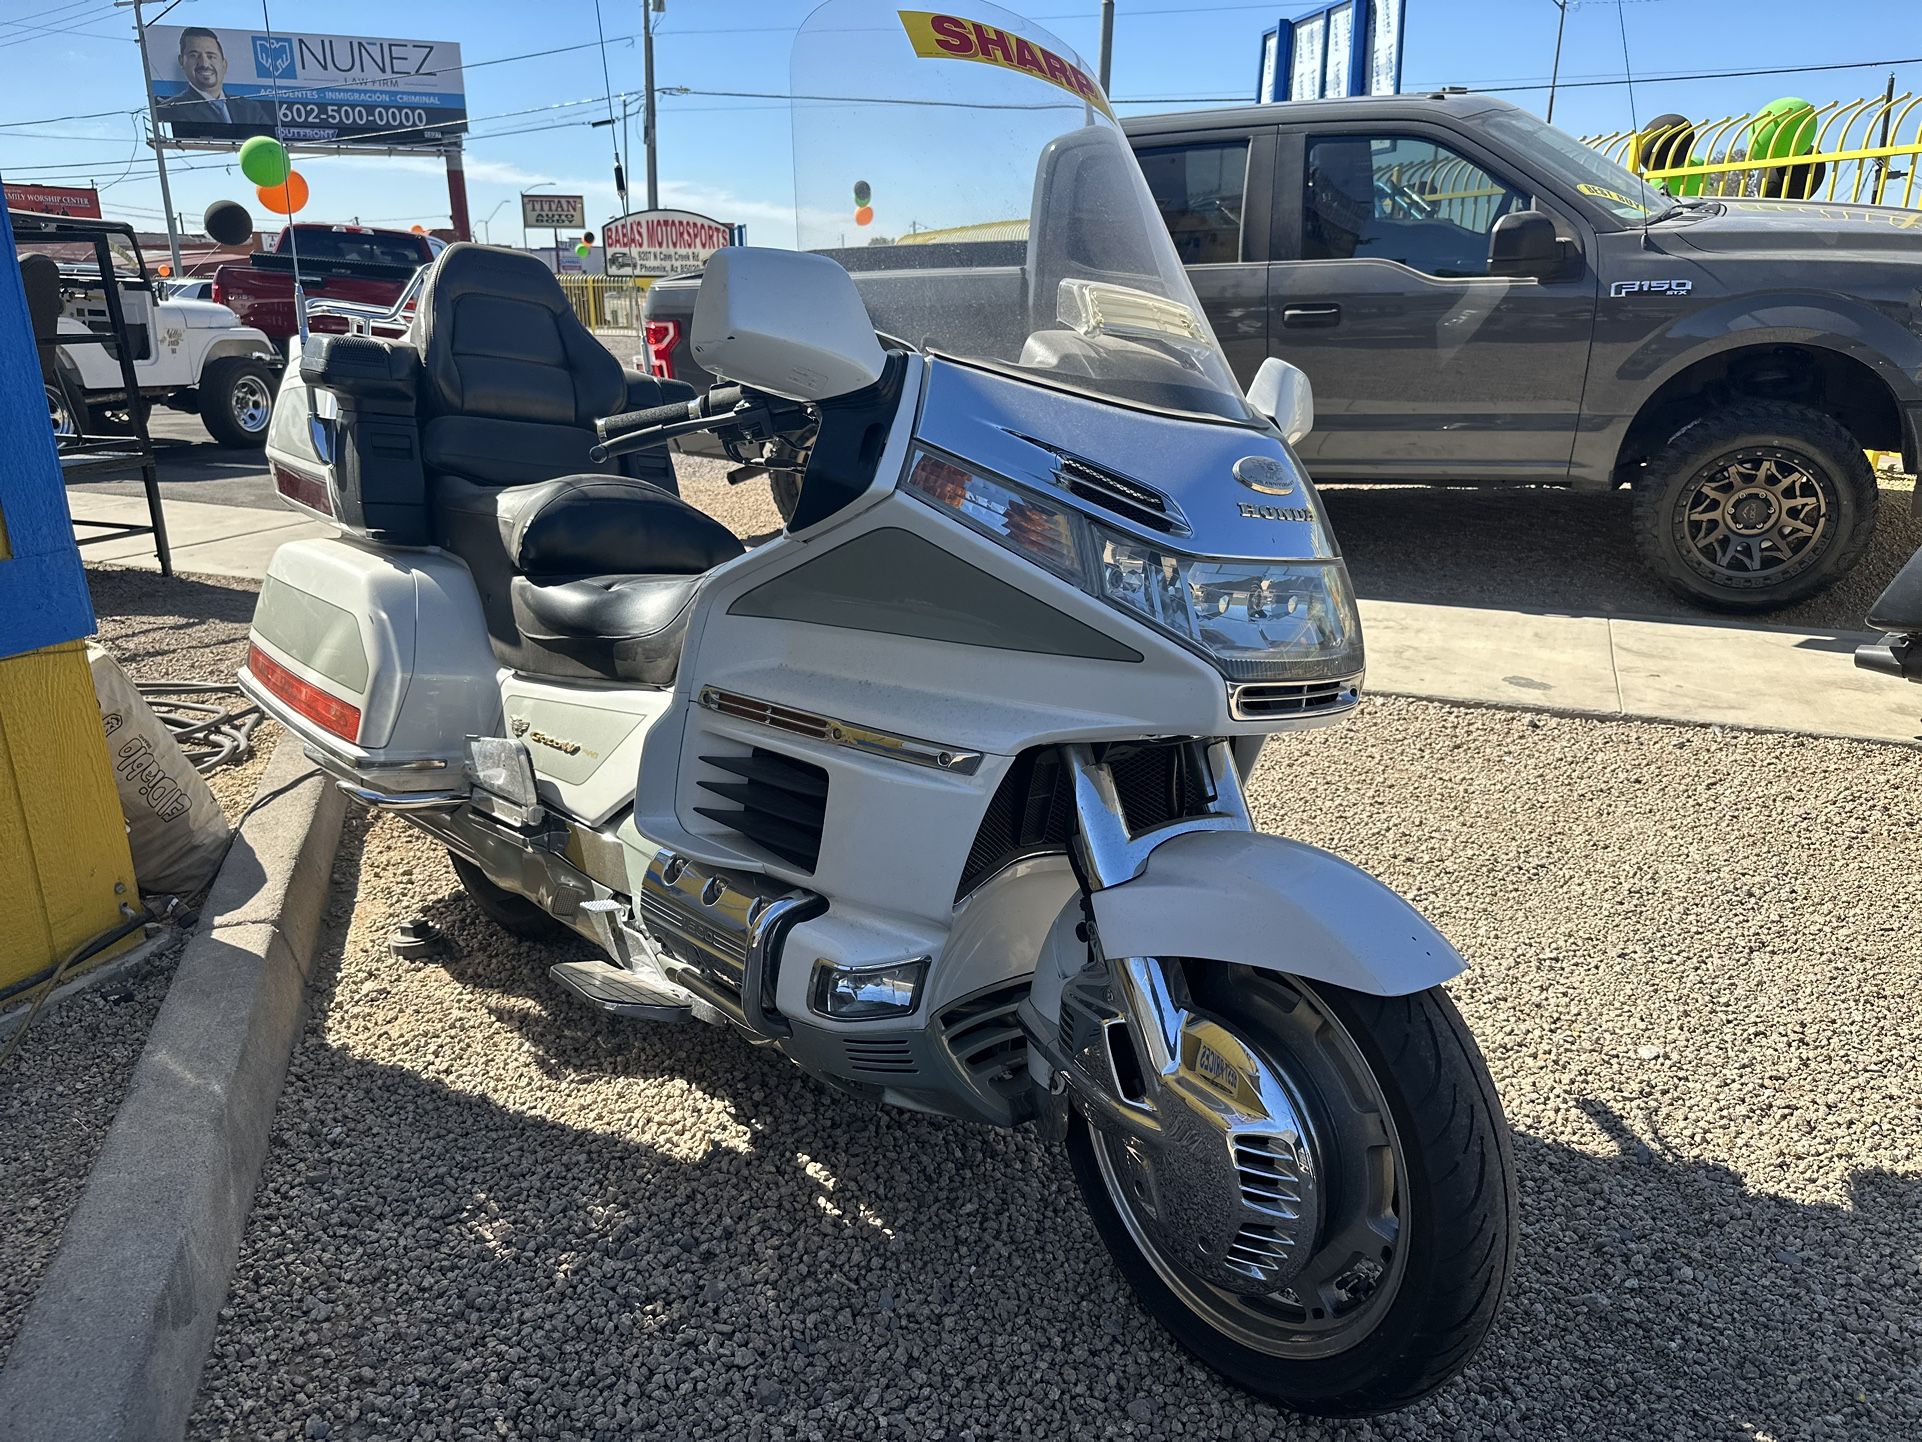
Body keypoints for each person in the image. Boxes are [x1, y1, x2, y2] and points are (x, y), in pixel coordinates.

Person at [156, 28, 276, 136]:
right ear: (181, 61)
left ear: (224, 64)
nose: (204, 64)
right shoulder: (171, 109)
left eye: (211, 56)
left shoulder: (250, 109)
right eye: (194, 55)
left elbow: (273, 139)